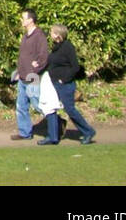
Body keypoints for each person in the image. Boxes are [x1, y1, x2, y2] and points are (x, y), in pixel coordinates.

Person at [40, 24, 97, 146]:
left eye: (52, 32)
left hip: (65, 85)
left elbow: (75, 67)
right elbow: (50, 64)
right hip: (53, 83)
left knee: (69, 109)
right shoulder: (56, 47)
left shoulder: (67, 47)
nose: (50, 34)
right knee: (50, 107)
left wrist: (64, 79)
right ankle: (52, 136)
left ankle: (88, 131)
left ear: (58, 35)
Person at [11, 8, 49, 141]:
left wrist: (36, 69)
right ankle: (24, 133)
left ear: (30, 20)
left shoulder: (39, 36)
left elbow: (44, 56)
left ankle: (56, 124)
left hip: (33, 76)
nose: (21, 20)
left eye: (23, 18)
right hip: (22, 76)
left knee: (38, 104)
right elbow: (23, 57)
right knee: (21, 106)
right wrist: (18, 72)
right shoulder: (25, 36)